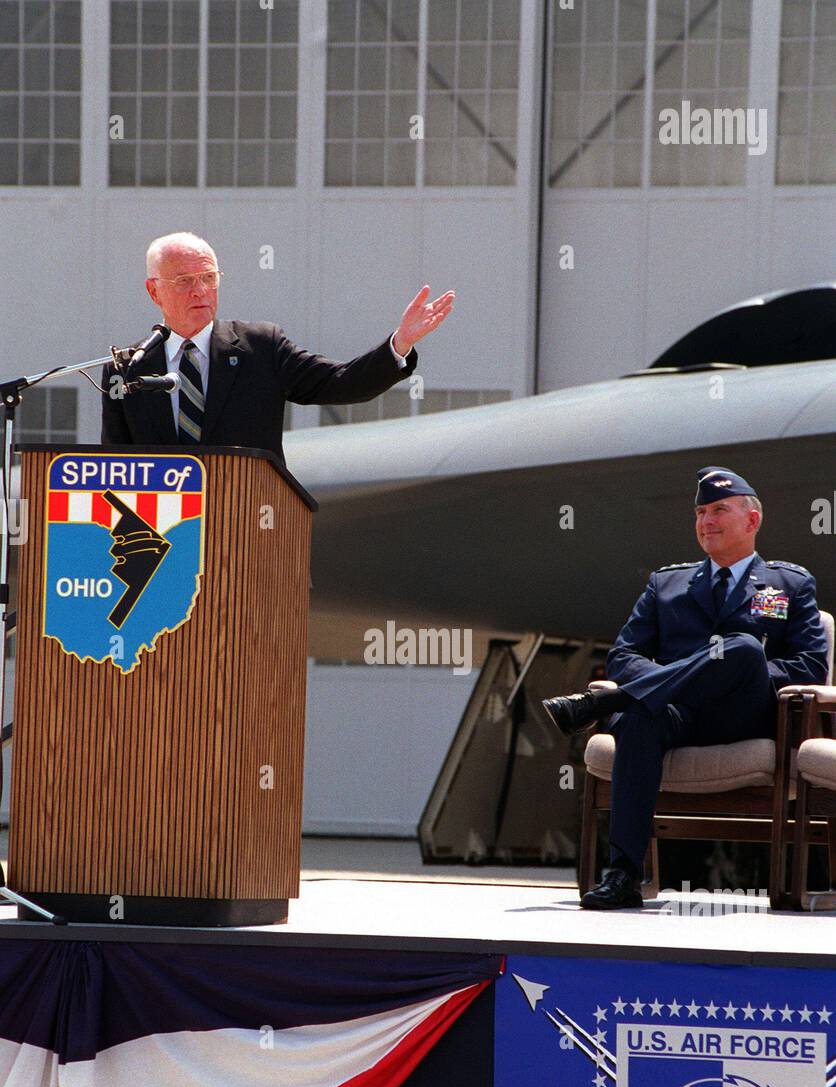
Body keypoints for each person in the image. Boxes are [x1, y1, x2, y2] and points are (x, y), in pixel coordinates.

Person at [543, 467, 829, 909]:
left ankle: (606, 702)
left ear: (752, 521)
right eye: (699, 511)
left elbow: (810, 664)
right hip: (675, 714)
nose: (706, 521)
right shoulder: (666, 584)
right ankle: (623, 876)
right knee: (639, 715)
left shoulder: (789, 584)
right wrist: (685, 677)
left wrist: (739, 670)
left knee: (745, 649)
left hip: (746, 714)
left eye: (718, 510)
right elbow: (624, 655)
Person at [101, 232, 455, 463]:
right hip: (166, 543)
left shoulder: (261, 348)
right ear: (154, 291)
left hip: (250, 531)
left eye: (209, 278)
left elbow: (343, 382)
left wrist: (400, 343)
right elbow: (111, 468)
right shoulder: (126, 369)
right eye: (184, 281)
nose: (200, 291)